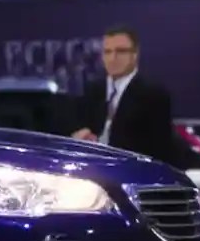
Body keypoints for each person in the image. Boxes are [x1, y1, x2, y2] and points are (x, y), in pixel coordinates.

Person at [71, 25, 173, 162]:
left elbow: (159, 150)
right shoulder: (92, 90)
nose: (113, 58)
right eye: (107, 52)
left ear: (135, 54)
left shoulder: (153, 95)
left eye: (121, 51)